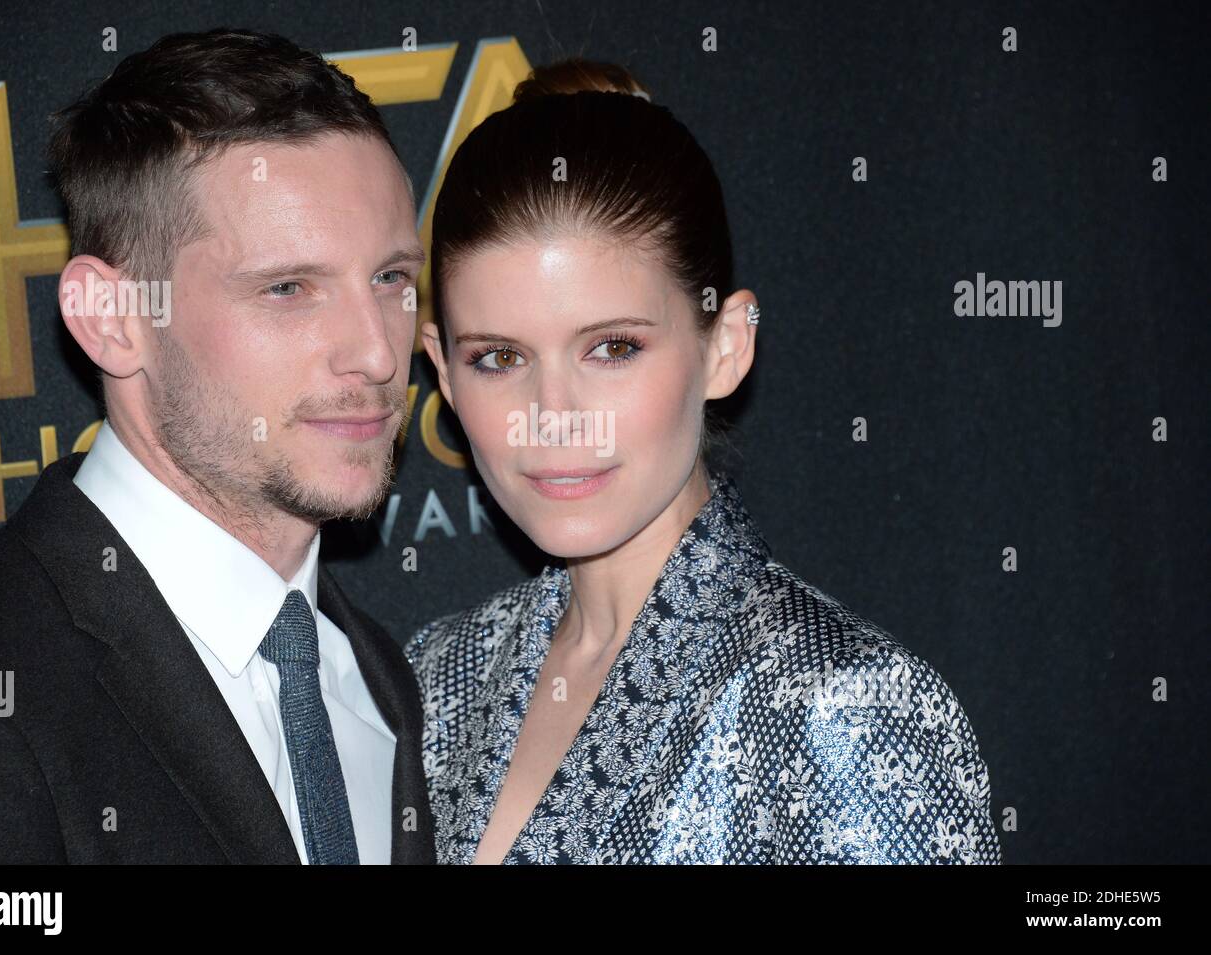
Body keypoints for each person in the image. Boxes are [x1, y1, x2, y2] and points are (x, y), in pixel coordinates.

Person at [403, 59, 1002, 864]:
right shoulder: (433, 679)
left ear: (725, 345)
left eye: (612, 348)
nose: (554, 415)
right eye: (500, 358)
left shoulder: (846, 704)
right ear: (442, 370)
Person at [0, 29, 433, 864]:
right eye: (289, 288)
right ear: (112, 320)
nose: (376, 353)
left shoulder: (376, 677)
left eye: (391, 279)